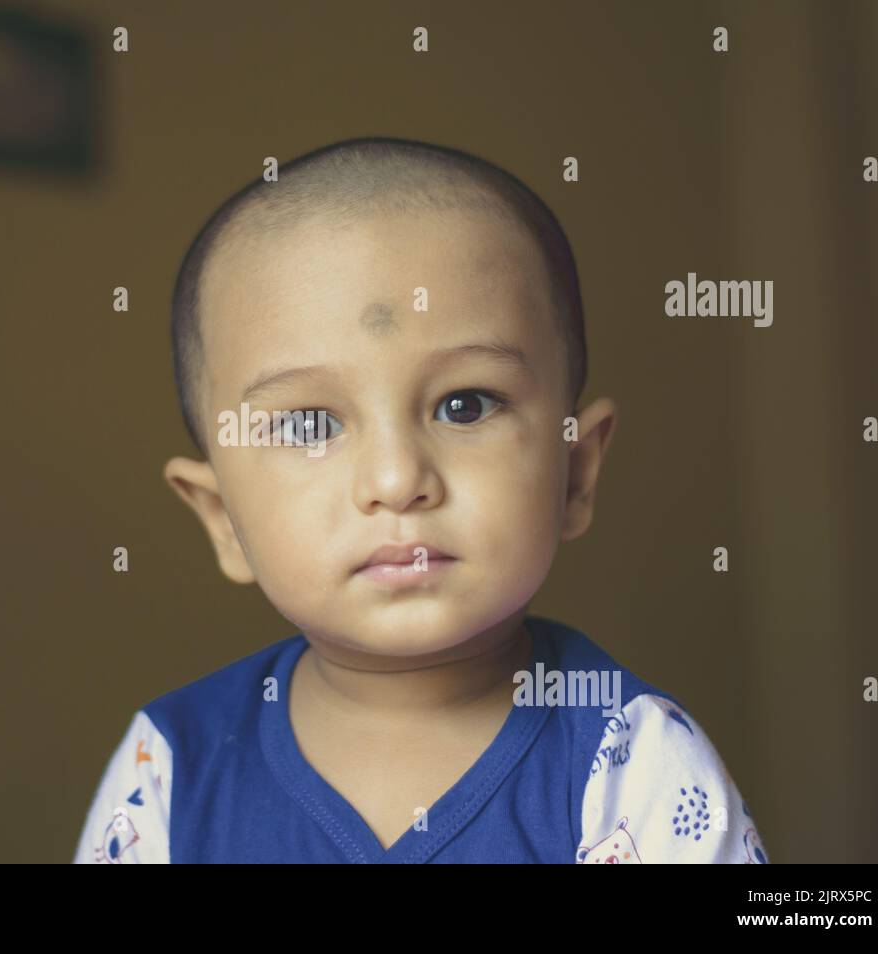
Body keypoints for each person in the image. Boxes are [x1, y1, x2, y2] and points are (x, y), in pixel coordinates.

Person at [73, 136, 768, 863]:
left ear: (576, 471)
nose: (396, 479)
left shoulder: (630, 760)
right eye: (310, 424)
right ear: (221, 520)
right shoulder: (171, 771)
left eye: (465, 405)